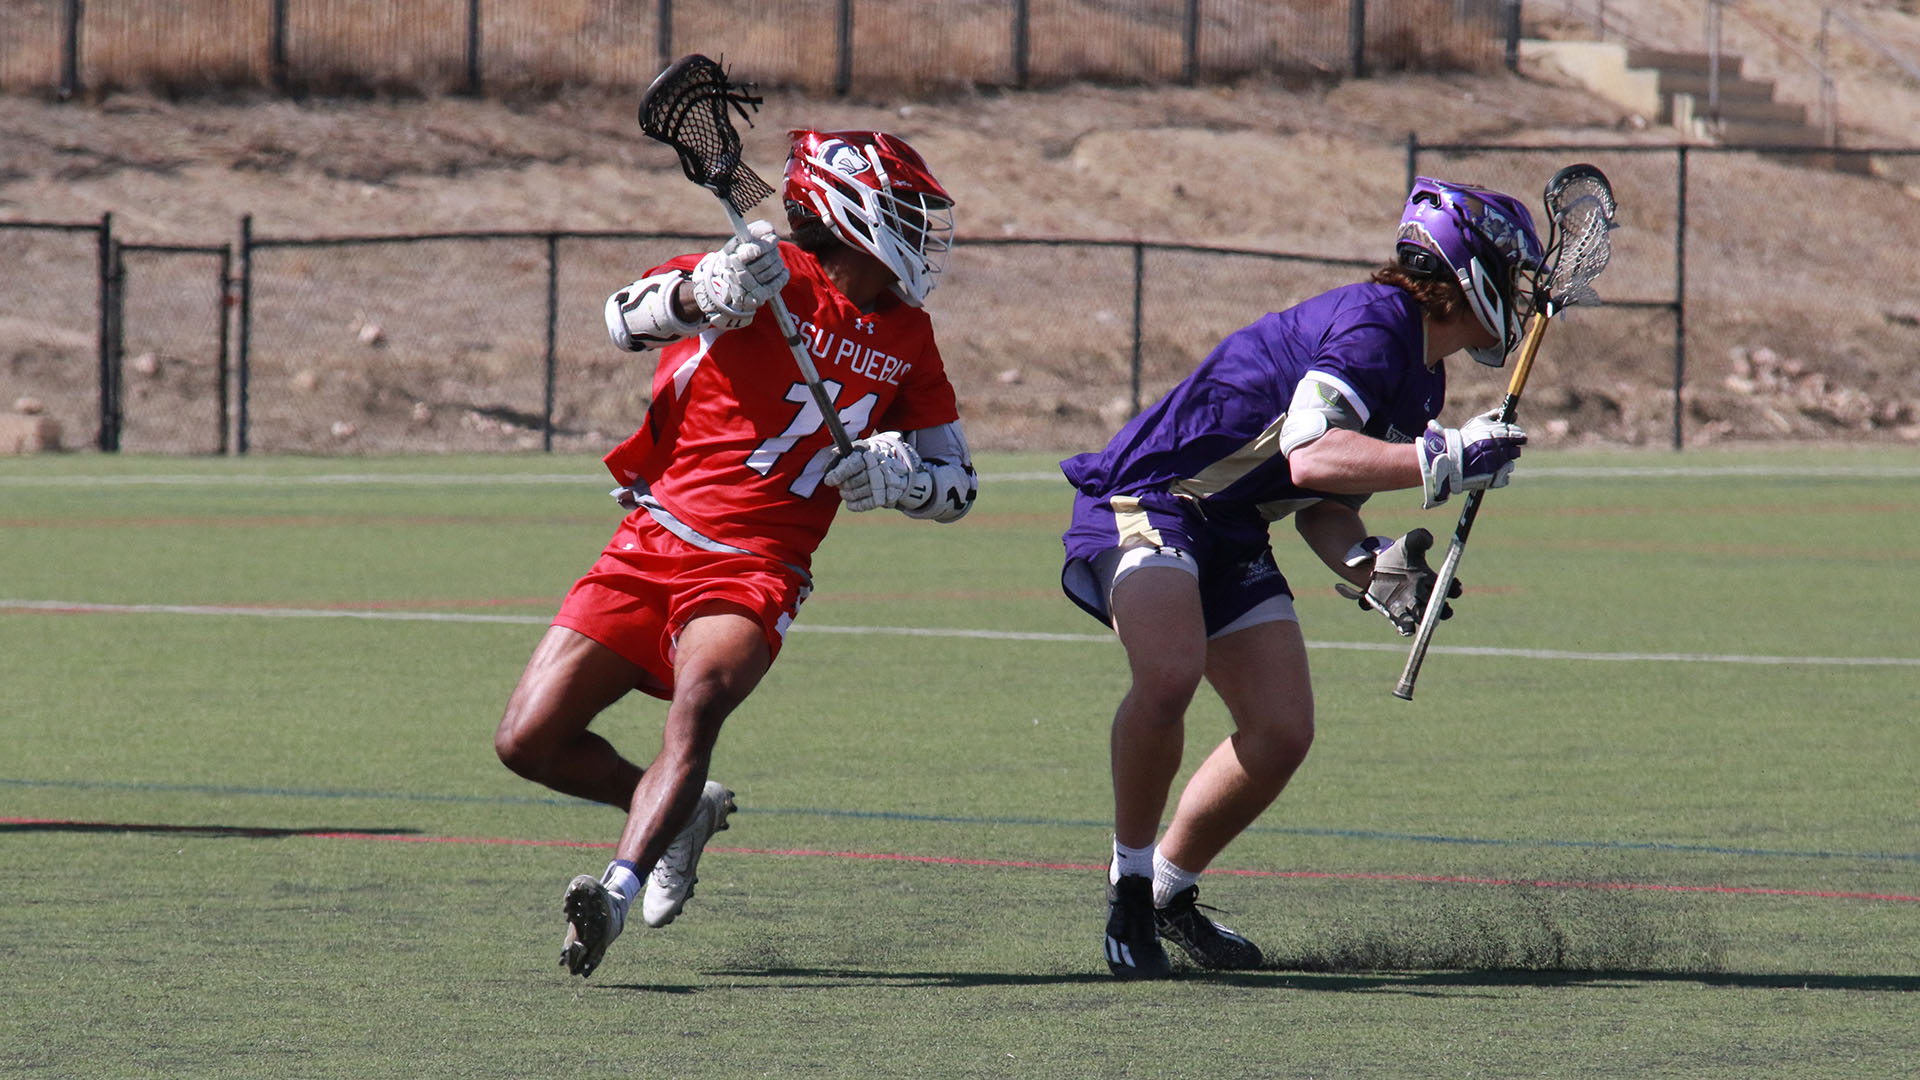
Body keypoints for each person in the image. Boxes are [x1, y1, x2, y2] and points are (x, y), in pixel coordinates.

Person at [494, 128, 977, 979]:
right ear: (849, 210)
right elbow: (622, 318)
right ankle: (681, 814)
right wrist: (704, 292)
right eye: (905, 209)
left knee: (701, 699)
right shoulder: (766, 271)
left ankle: (615, 890)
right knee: (529, 741)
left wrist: (902, 478)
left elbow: (958, 484)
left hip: (758, 563)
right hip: (653, 538)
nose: (920, 228)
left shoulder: (910, 336)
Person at [1058, 177, 1542, 978]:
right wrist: (1446, 457)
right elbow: (1313, 453)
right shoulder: (1375, 324)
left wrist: (1374, 568)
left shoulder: (1424, 373)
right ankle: (1130, 890)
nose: (1520, 297)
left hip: (1229, 529)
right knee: (1169, 673)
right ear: (1470, 271)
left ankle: (1171, 893)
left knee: (1281, 730)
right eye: (1512, 275)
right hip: (1148, 499)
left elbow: (1322, 503)